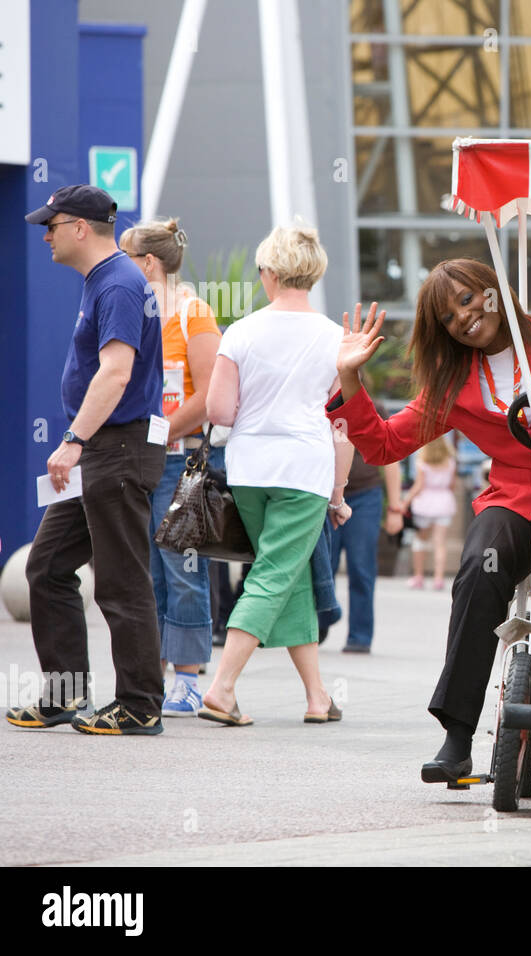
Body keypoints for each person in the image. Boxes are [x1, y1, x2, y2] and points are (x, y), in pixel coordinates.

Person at [331, 258, 531, 783]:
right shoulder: (452, 385)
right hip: (517, 499)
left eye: (471, 299)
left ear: (496, 291)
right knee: (479, 564)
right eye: (449, 317)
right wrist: (348, 376)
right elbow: (382, 445)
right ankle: (458, 736)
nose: (465, 318)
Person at [7, 185, 166, 734]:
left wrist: (73, 438)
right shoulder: (107, 280)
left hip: (116, 446)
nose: (46, 234)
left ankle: (141, 705)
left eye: (52, 224)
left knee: (121, 580)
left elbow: (116, 372)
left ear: (80, 227)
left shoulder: (118, 282)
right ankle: (67, 694)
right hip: (105, 447)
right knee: (47, 566)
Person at [200, 222, 353, 726]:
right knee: (273, 574)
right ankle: (221, 689)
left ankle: (317, 697)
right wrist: (338, 491)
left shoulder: (240, 332)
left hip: (248, 468)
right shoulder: (337, 338)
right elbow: (343, 426)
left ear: (268, 273)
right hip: (305, 469)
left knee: (288, 575)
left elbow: (220, 410)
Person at [119, 217, 223, 717]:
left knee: (183, 567)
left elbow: (210, 396)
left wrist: (159, 433)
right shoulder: (129, 310)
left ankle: (188, 678)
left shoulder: (193, 315)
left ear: (149, 263)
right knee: (143, 570)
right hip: (129, 459)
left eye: (125, 256)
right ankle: (151, 673)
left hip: (175, 462)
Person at [327, 445, 403, 652]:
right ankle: (320, 621)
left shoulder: (376, 409)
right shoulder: (318, 410)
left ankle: (360, 636)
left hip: (364, 496)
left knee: (361, 566)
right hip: (324, 492)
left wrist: (395, 507)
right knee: (324, 564)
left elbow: (390, 457)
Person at [405, 436, 458, 591]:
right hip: (444, 503)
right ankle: (438, 579)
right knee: (440, 544)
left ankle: (418, 576)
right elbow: (452, 485)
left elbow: (419, 486)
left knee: (420, 541)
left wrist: (405, 502)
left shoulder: (422, 464)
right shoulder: (450, 463)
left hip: (425, 505)